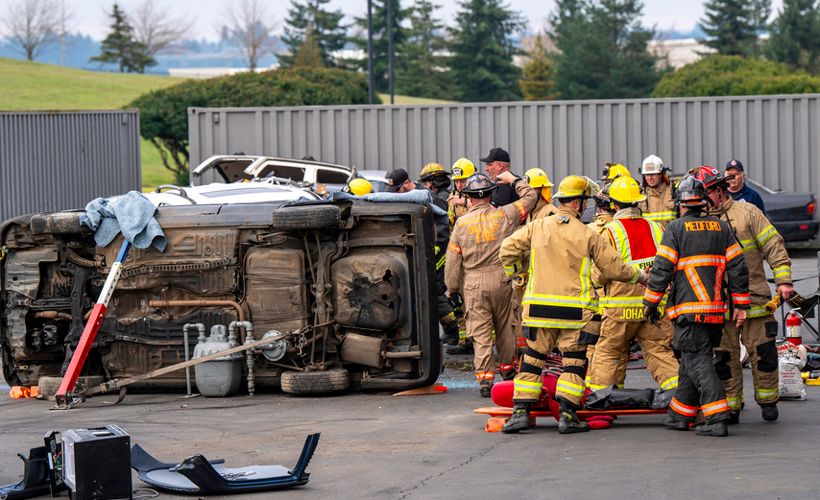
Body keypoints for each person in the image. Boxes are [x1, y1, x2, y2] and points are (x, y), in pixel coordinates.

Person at [499, 175, 649, 434]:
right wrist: (642, 277)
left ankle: (520, 413)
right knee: (574, 362)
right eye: (585, 201)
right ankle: (567, 416)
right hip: (575, 313)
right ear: (578, 203)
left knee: (532, 360)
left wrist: (516, 275)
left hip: (538, 310)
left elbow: (507, 249)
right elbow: (614, 268)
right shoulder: (588, 233)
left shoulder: (537, 226)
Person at [643, 176, 750, 437]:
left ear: (680, 204)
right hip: (715, 311)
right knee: (691, 360)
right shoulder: (721, 228)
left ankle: (716, 417)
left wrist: (651, 302)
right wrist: (740, 304)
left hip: (688, 311)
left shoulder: (675, 229)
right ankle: (679, 415)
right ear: (703, 203)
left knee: (699, 360)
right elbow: (738, 267)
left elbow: (661, 270)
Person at [695, 166, 792, 422]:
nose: (700, 199)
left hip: (754, 298)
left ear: (719, 189)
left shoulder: (747, 212)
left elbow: (773, 245)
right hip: (717, 303)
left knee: (764, 353)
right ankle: (731, 406)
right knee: (723, 358)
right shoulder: (697, 221)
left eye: (704, 193)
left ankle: (768, 402)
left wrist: (783, 280)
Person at [444, 172, 537, 397]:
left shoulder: (461, 224)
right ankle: (508, 372)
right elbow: (531, 197)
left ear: (469, 197)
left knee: (481, 332)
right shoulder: (506, 214)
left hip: (473, 285)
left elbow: (453, 262)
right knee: (505, 328)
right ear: (490, 195)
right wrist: (513, 180)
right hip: (502, 280)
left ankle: (486, 380)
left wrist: (452, 290)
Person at [586, 176, 679, 393]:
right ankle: (680, 398)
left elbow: (599, 276)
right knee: (660, 353)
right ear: (639, 202)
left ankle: (601, 397)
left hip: (621, 309)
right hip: (654, 306)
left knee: (609, 353)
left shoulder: (610, 232)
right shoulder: (657, 229)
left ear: (614, 205)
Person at [385, 168, 459, 345]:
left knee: (434, 292)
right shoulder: (407, 197)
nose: (395, 194)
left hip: (434, 257)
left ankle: (453, 328)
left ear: (406, 183)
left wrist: (429, 253)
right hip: (418, 256)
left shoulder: (427, 197)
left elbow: (442, 229)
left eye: (397, 189)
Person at [584, 184, 629, 388]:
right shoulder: (624, 230)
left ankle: (592, 392)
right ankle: (617, 391)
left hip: (595, 302)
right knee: (620, 350)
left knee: (594, 349)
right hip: (621, 302)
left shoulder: (590, 230)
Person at [446, 158, 476, 355]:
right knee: (457, 298)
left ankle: (480, 341)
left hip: (475, 256)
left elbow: (482, 214)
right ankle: (464, 340)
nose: (459, 184)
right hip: (458, 255)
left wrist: (464, 202)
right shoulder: (452, 197)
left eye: (463, 180)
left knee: (476, 300)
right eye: (457, 181)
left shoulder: (478, 195)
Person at [480, 147, 535, 213]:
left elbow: (493, 213)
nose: (486, 169)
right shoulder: (515, 180)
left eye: (489, 165)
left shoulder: (502, 183)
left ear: (500, 166)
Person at [637, 154, 676, 227]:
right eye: (647, 175)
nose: (649, 178)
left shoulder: (673, 191)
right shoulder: (640, 195)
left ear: (661, 174)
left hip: (670, 234)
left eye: (652, 174)